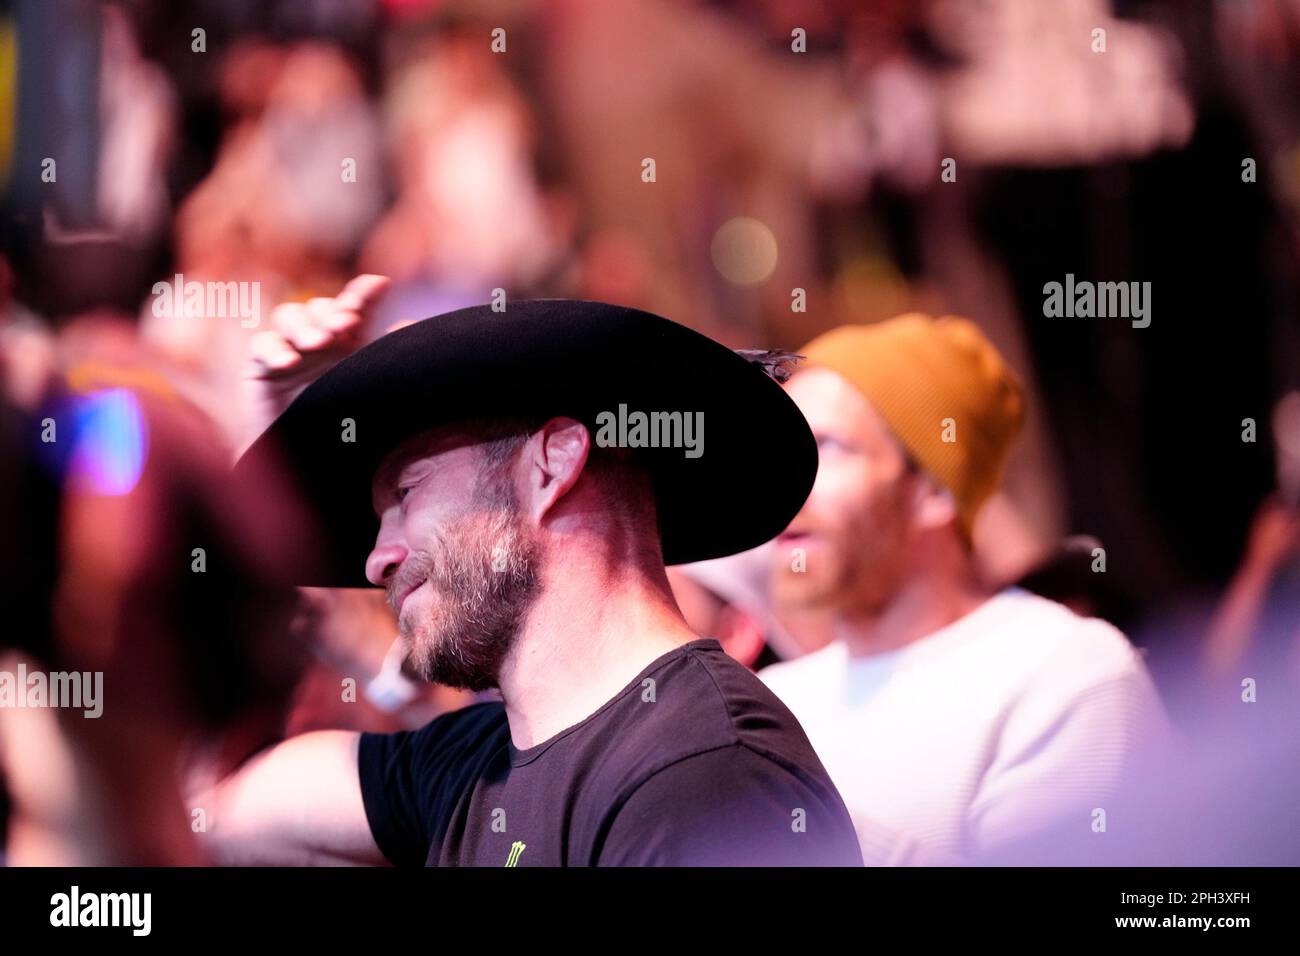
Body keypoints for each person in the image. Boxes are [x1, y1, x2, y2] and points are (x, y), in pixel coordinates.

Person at [202, 290, 862, 867]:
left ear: (552, 466)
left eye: (407, 491)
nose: (377, 560)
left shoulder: (708, 777)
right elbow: (211, 814)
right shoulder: (466, 766)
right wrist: (267, 463)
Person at [759, 313, 1170, 864]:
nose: (783, 482)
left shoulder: (1066, 675)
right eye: (778, 451)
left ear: (935, 490)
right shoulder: (772, 701)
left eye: (827, 448)